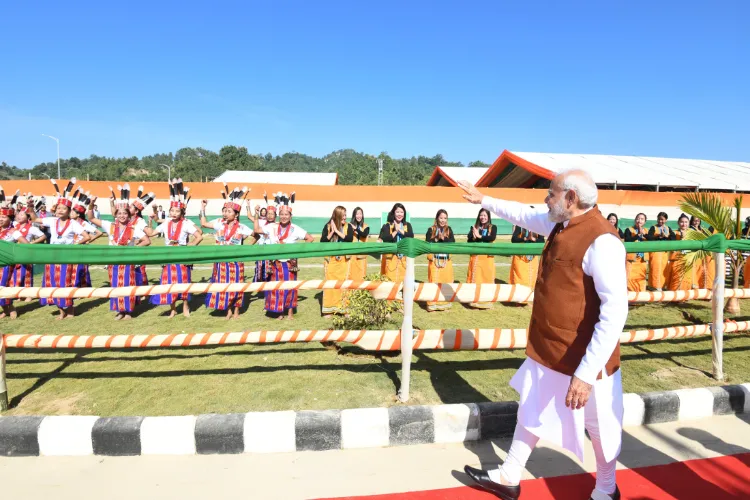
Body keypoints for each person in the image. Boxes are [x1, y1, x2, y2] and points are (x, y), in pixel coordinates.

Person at [458, 172, 628, 500]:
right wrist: (484, 200)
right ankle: (509, 475)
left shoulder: (602, 241)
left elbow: (615, 313)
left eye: (551, 194)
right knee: (531, 409)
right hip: (549, 349)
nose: (546, 200)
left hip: (586, 358)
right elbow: (523, 215)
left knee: (600, 425)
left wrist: (586, 372)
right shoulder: (559, 223)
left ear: (570, 199)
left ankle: (607, 489)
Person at [28, 179, 89, 319]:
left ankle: (71, 310)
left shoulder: (73, 223)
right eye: (59, 208)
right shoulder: (52, 220)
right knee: (53, 282)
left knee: (65, 282)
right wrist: (30, 207)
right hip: (52, 255)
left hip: (66, 256)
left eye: (64, 208)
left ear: (69, 211)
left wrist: (74, 246)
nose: (60, 210)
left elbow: (86, 236)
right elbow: (34, 219)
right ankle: (61, 311)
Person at [143, 179, 203, 318]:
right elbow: (151, 234)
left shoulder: (186, 224)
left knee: (184, 281)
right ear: (169, 212)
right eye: (172, 210)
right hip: (169, 255)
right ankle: (173, 309)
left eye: (177, 211)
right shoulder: (165, 224)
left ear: (181, 212)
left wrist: (189, 247)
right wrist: (150, 221)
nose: (174, 213)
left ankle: (186, 307)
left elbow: (199, 236)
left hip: (181, 256)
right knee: (169, 282)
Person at [249, 192, 314, 320]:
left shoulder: (295, 229)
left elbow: (310, 239)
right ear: (279, 215)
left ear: (290, 216)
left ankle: (289, 312)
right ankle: (279, 312)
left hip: (289, 264)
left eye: (286, 215)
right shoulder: (272, 226)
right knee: (277, 287)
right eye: (282, 214)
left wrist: (297, 252)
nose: (284, 217)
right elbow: (256, 230)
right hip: (276, 263)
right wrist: (256, 214)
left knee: (290, 287)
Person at [87, 196, 151, 320]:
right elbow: (91, 218)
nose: (122, 216)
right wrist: (91, 205)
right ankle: (119, 310)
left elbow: (146, 241)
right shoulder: (109, 225)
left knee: (128, 284)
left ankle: (128, 312)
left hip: (127, 262)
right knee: (115, 285)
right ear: (116, 215)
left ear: (129, 215)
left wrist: (132, 250)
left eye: (124, 213)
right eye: (119, 213)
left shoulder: (134, 228)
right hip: (114, 262)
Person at [199, 186, 253, 320]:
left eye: (229, 211)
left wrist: (246, 248)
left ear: (236, 214)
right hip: (221, 261)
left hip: (235, 262)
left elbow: (255, 235)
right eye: (224, 211)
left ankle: (236, 310)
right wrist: (203, 207)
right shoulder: (219, 223)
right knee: (223, 286)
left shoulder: (242, 227)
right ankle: (228, 309)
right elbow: (204, 223)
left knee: (236, 286)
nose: (225, 213)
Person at [0, 191, 30, 319]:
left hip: (6, 264)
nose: (1, 219)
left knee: (3, 286)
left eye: (4, 217)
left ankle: (11, 308)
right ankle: (5, 309)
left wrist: (13, 251)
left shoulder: (13, 231)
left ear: (10, 219)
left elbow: (25, 244)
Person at [320, 206, 355, 316]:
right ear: (338, 215)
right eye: (343, 215)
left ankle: (344, 309)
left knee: (344, 283)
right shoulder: (328, 226)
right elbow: (323, 241)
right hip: (331, 260)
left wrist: (337, 231)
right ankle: (329, 309)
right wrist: (332, 232)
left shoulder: (348, 226)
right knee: (330, 284)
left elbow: (349, 239)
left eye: (346, 214)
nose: (345, 217)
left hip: (344, 260)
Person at [70, 189, 103, 288]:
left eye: (72, 213)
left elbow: (99, 232)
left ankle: (82, 287)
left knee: (81, 268)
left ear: (78, 214)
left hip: (80, 248)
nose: (70, 214)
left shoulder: (84, 223)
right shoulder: (70, 222)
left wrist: (87, 240)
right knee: (72, 268)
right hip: (71, 248)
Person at [424, 209, 456, 312]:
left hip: (446, 260)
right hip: (434, 260)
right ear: (437, 218)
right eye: (441, 218)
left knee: (446, 281)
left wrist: (444, 239)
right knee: (434, 281)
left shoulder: (449, 229)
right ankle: (432, 304)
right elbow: (427, 242)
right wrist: (437, 239)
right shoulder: (431, 229)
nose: (443, 220)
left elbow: (452, 242)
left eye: (445, 218)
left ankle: (445, 304)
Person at [466, 208, 497, 309]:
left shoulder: (493, 227)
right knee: (476, 278)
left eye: (485, 215)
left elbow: (492, 238)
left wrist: (479, 236)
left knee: (486, 277)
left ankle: (486, 301)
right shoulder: (475, 227)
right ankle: (474, 301)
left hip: (487, 258)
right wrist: (473, 237)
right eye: (481, 215)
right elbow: (469, 241)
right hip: (476, 258)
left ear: (488, 216)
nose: (483, 217)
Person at [378, 203, 414, 283]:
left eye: (401, 212)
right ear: (393, 213)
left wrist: (400, 230)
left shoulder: (407, 225)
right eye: (397, 212)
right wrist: (395, 231)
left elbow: (411, 236)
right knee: (390, 280)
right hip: (391, 259)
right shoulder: (387, 225)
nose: (399, 214)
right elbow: (386, 239)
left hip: (403, 258)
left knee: (403, 281)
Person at [509, 220, 545, 291]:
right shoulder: (520, 225)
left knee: (531, 277)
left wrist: (533, 239)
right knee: (520, 276)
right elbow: (513, 239)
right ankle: (518, 298)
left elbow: (542, 241)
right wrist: (525, 238)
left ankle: (529, 296)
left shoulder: (538, 227)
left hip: (532, 257)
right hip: (520, 256)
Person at [667, 214, 697, 291]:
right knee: (676, 277)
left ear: (689, 223)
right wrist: (682, 238)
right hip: (677, 259)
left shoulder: (692, 233)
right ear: (678, 223)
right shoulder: (674, 233)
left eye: (686, 222)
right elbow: (672, 245)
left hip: (688, 258)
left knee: (687, 278)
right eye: (682, 222)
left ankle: (684, 296)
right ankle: (675, 297)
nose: (684, 224)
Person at [646, 212, 674, 291]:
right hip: (655, 252)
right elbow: (649, 237)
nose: (660, 221)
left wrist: (666, 236)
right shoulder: (653, 227)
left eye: (663, 220)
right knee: (655, 268)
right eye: (659, 219)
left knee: (663, 269)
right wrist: (658, 236)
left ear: (666, 220)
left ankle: (662, 286)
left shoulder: (668, 228)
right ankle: (653, 286)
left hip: (664, 252)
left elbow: (673, 238)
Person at [623, 213, 649, 292]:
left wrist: (644, 235)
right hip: (632, 259)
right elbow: (627, 240)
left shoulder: (647, 231)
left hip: (642, 259)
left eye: (642, 219)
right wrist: (637, 235)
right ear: (635, 220)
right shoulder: (629, 229)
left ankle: (640, 297)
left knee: (641, 278)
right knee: (630, 277)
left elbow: (652, 239)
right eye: (638, 218)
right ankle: (630, 297)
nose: (639, 221)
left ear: (645, 222)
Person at [349, 207, 370, 281]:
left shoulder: (366, 226)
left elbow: (364, 235)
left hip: (362, 254)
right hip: (352, 254)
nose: (359, 216)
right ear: (354, 215)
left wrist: (355, 229)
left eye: (360, 214)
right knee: (352, 273)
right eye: (357, 214)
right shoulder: (349, 226)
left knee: (361, 274)